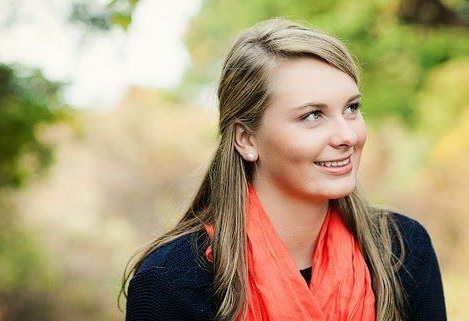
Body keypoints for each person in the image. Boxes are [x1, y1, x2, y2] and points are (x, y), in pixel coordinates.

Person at [122, 18, 445, 321]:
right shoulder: (170, 283)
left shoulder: (403, 250)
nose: (348, 136)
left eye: (351, 108)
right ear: (247, 139)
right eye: (312, 115)